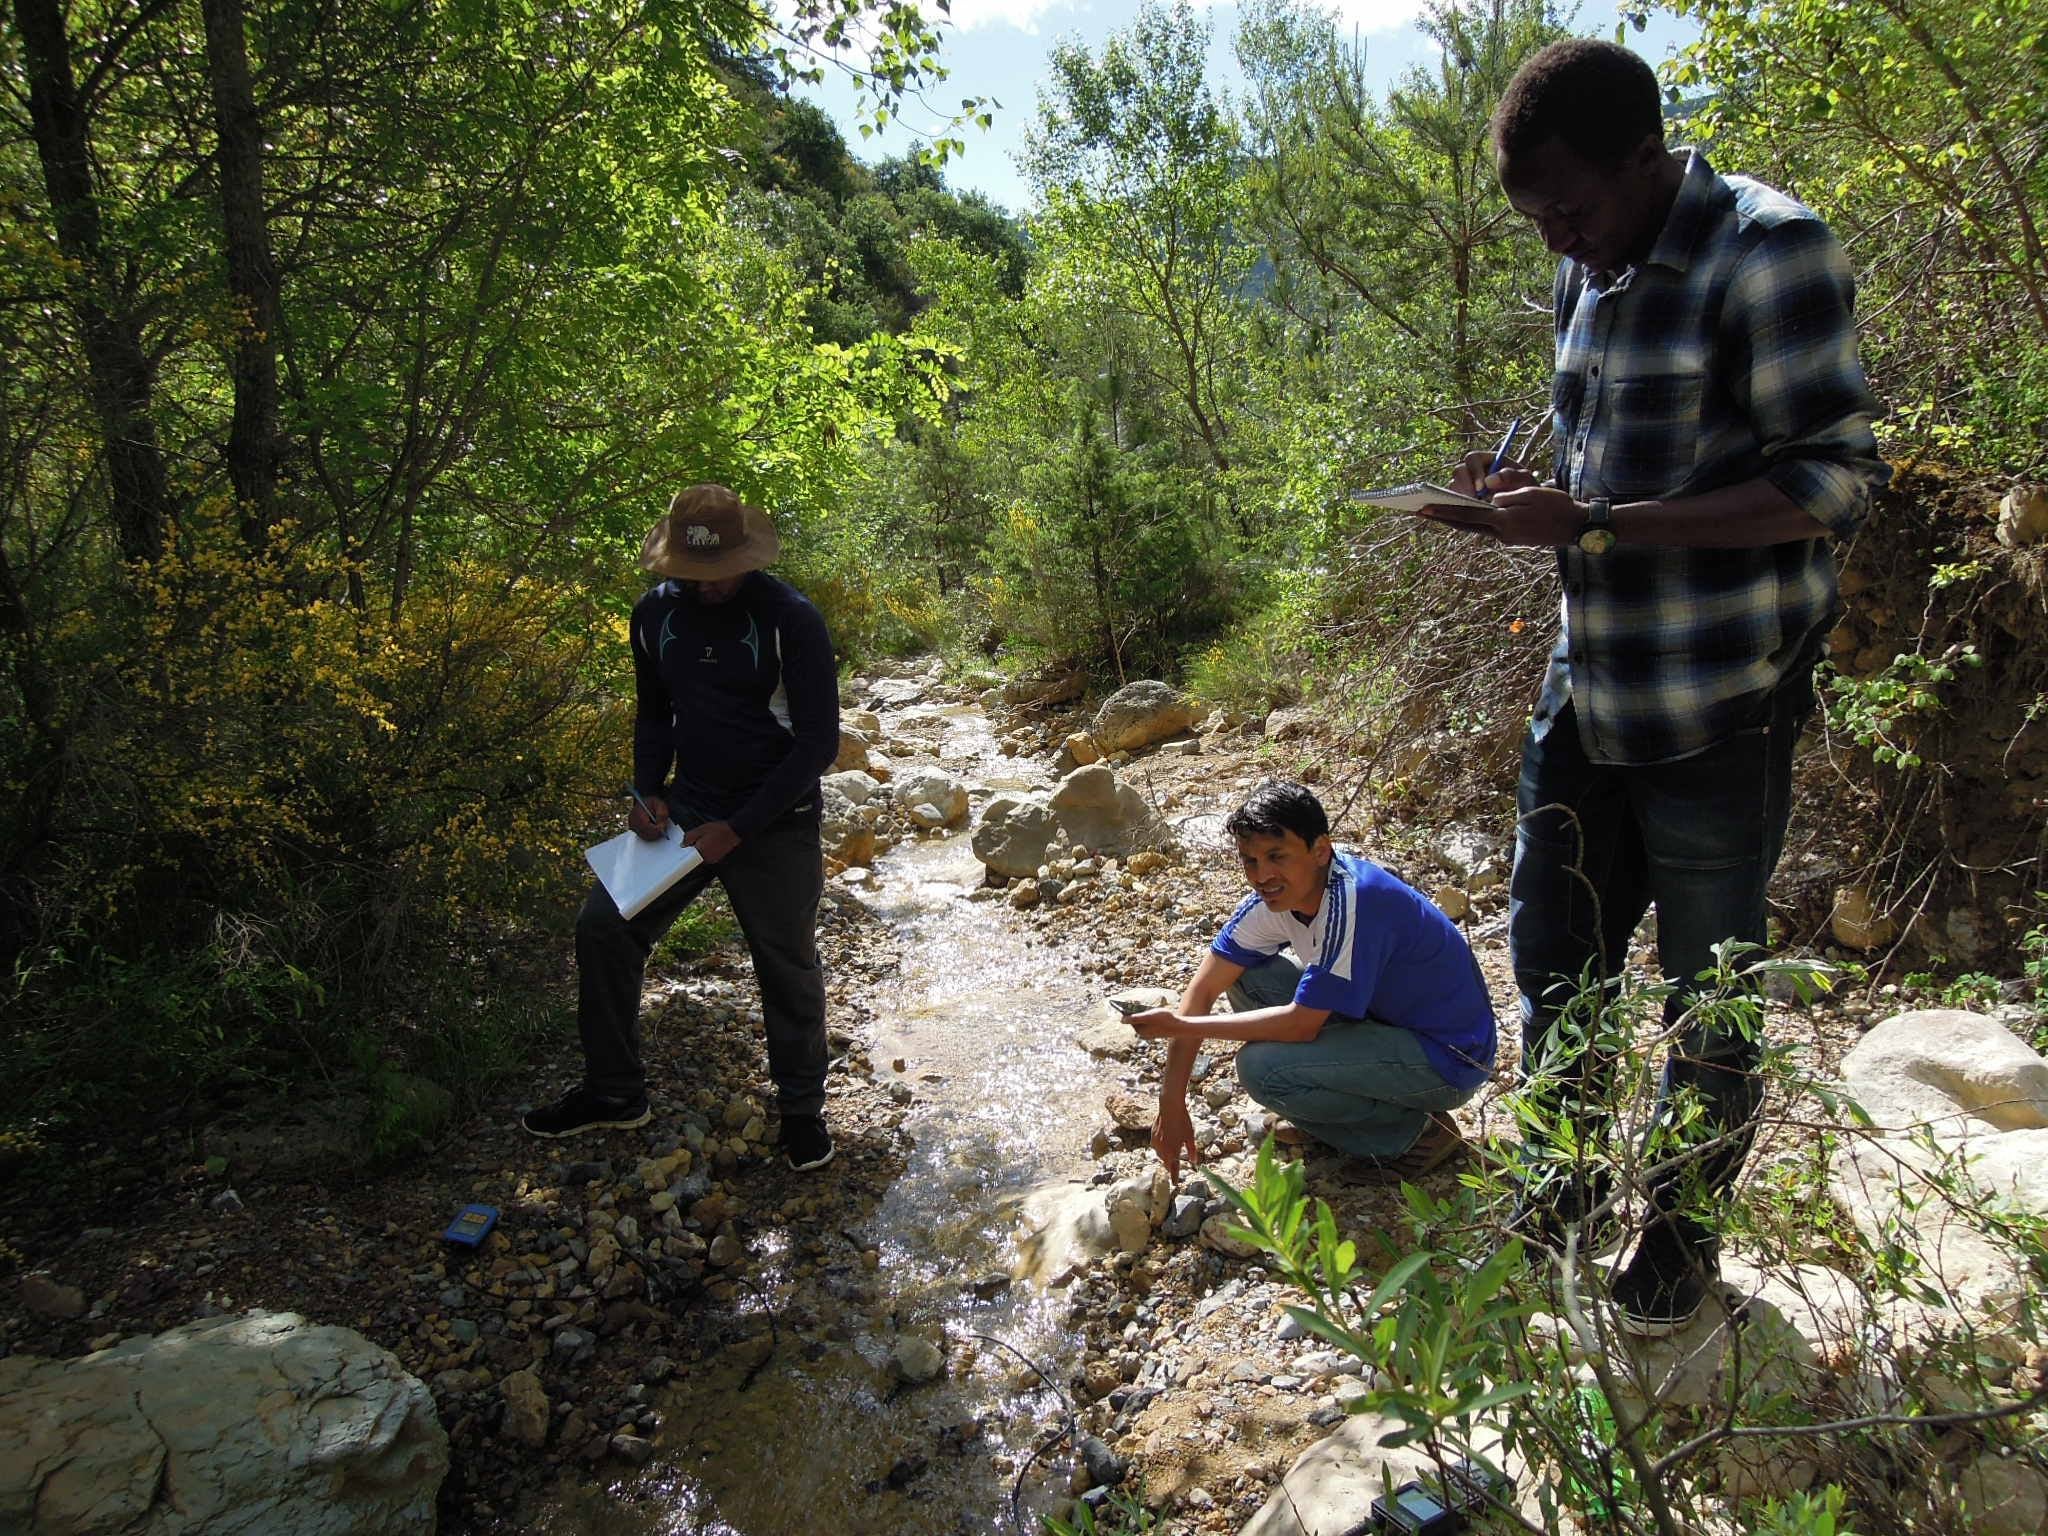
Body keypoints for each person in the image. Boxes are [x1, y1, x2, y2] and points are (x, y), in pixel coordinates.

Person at [1411, 40, 1889, 1332]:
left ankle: (1677, 1237)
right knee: (1558, 967)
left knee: (1710, 999)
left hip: (1720, 707)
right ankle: (1564, 1191)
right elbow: (1594, 470)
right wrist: (1519, 504)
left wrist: (1606, 522)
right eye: (1536, 220)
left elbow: (1834, 482)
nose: (1559, 238)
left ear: (1645, 155)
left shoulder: (1770, 250)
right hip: (1589, 694)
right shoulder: (1587, 262)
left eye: (1572, 207)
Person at [523, 483, 842, 1172]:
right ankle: (614, 1091)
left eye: (723, 569)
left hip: (775, 819)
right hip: (689, 809)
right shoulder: (654, 615)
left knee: (785, 963)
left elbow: (818, 744)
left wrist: (742, 825)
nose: (712, 584)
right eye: (696, 572)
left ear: (747, 556)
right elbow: (653, 714)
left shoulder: (791, 619)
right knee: (602, 928)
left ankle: (801, 1112)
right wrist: (647, 791)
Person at [1126, 780, 1497, 1182]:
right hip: (1387, 1026)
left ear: (1320, 851)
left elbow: (1301, 1025)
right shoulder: (1275, 900)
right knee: (1247, 975)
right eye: (1250, 861)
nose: (1262, 874)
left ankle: (1416, 1136)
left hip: (1450, 1058)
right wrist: (1171, 1101)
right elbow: (1204, 987)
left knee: (1261, 1069)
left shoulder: (1355, 900)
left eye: (1277, 856)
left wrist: (1183, 1027)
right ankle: (1334, 1112)